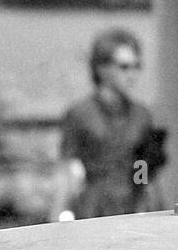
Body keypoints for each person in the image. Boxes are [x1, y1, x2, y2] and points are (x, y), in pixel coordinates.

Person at [60, 28, 166, 218]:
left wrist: (148, 201)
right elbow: (69, 169)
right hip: (91, 210)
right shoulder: (80, 114)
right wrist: (60, 215)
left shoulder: (142, 116)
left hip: (130, 208)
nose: (132, 74)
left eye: (136, 66)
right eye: (124, 67)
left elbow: (143, 167)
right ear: (102, 69)